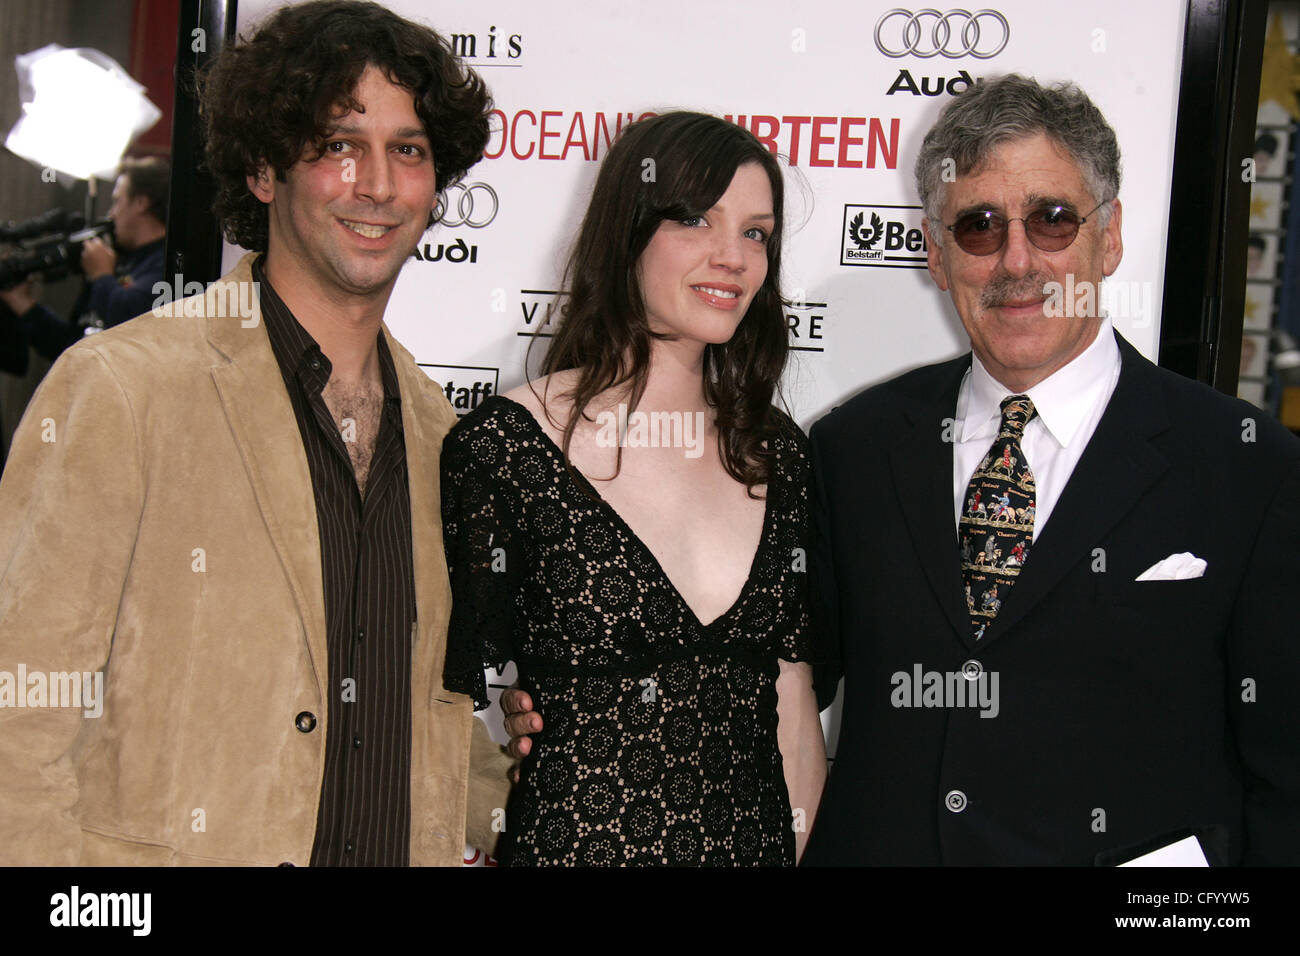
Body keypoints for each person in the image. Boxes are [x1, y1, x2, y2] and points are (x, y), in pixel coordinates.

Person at [0, 0, 512, 866]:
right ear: (266, 170)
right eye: (340, 145)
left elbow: (432, 719)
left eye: (409, 150)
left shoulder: (442, 434)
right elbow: (20, 714)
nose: (379, 185)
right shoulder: (124, 390)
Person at [800, 74, 1300, 865]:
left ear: (1110, 236)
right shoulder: (851, 450)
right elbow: (776, 680)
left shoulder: (1249, 469)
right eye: (979, 227)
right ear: (934, 253)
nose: (1017, 260)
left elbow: (1287, 784)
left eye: (1054, 219)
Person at [441, 111, 826, 866]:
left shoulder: (780, 459)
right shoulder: (504, 451)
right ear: (629, 229)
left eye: (756, 233)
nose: (734, 258)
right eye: (695, 220)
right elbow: (437, 701)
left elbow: (792, 709)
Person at [0, 157, 169, 362]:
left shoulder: (165, 265)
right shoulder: (119, 261)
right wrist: (22, 303)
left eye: (117, 201)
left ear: (141, 203)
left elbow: (130, 322)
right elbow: (72, 349)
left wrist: (101, 276)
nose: (111, 213)